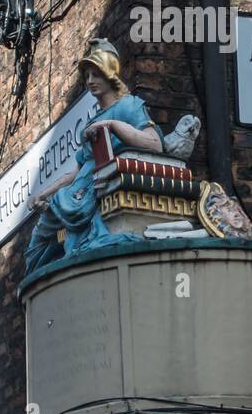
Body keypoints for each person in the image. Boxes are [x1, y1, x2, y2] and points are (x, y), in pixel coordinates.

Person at [24, 39, 164, 273]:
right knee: (38, 241)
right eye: (87, 76)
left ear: (109, 72)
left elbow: (155, 144)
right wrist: (44, 193)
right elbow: (77, 169)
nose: (90, 82)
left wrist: (112, 125)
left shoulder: (128, 106)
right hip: (77, 189)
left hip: (102, 186)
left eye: (96, 74)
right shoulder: (91, 121)